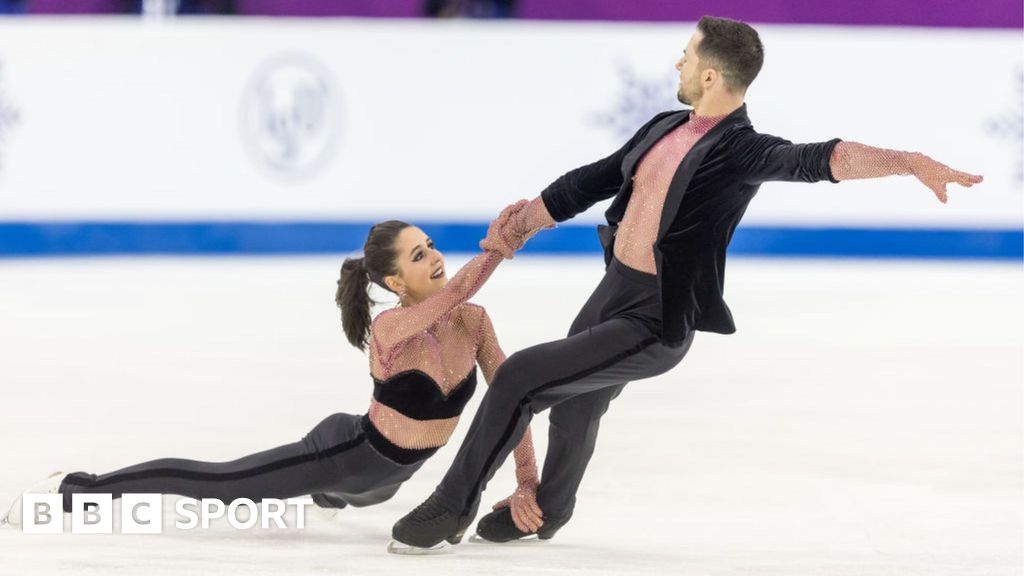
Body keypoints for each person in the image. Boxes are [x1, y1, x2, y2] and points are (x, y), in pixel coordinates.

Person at [390, 15, 984, 549]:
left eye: (687, 54)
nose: (678, 61)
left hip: (655, 318)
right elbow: (595, 179)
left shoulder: (744, 150)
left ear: (710, 75)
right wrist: (524, 221)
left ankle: (450, 506)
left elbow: (822, 158)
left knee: (521, 376)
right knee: (574, 409)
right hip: (614, 290)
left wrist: (906, 160)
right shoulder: (666, 125)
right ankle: (550, 509)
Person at [2, 206, 551, 548]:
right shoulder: (392, 328)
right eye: (417, 253)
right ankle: (83, 489)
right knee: (221, 486)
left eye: (430, 245)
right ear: (393, 279)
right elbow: (454, 293)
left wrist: (527, 481)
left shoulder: (475, 323)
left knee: (346, 497)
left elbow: (514, 400)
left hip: (385, 485)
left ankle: (329, 500)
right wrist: (503, 245)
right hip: (344, 452)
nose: (433, 256)